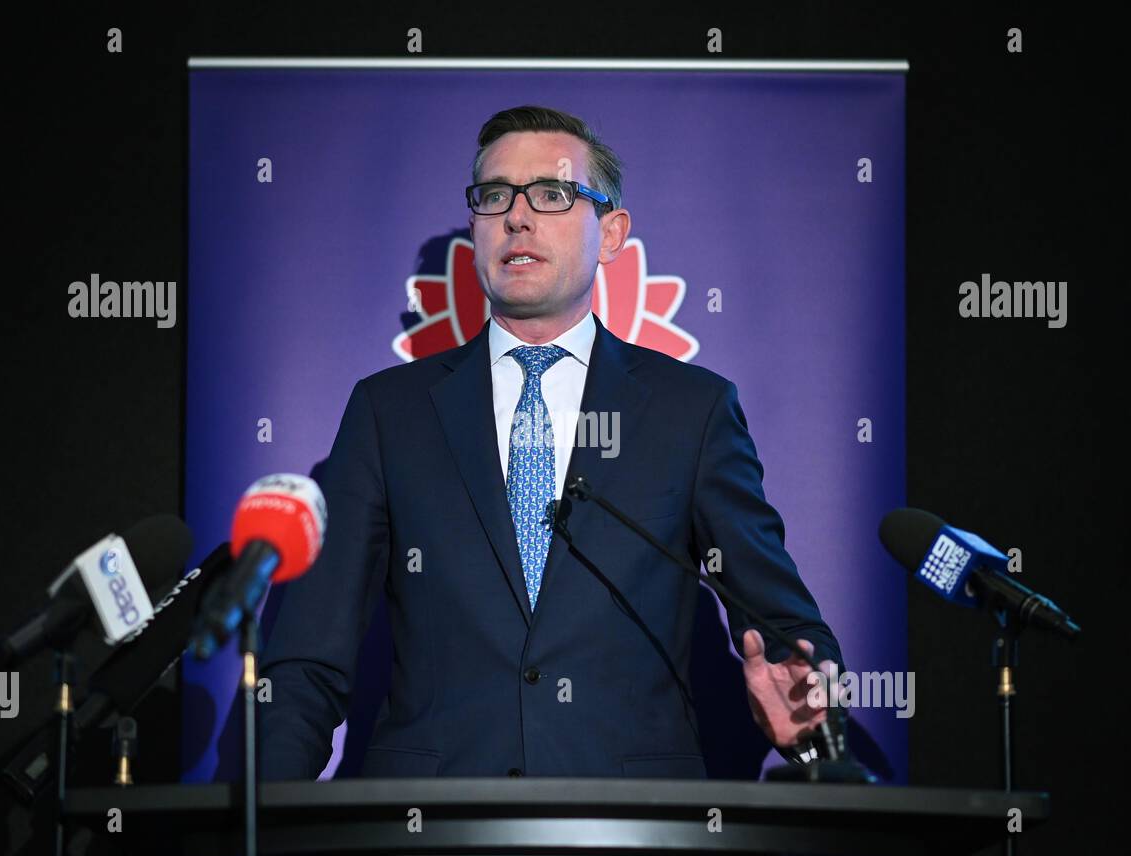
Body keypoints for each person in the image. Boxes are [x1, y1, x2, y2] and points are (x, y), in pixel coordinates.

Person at [259, 104, 843, 780]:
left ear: (613, 232)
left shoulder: (693, 411)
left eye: (552, 193)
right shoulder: (391, 413)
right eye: (494, 195)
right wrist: (267, 819)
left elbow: (788, 630)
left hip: (632, 828)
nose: (517, 216)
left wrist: (806, 716)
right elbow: (307, 656)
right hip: (431, 828)